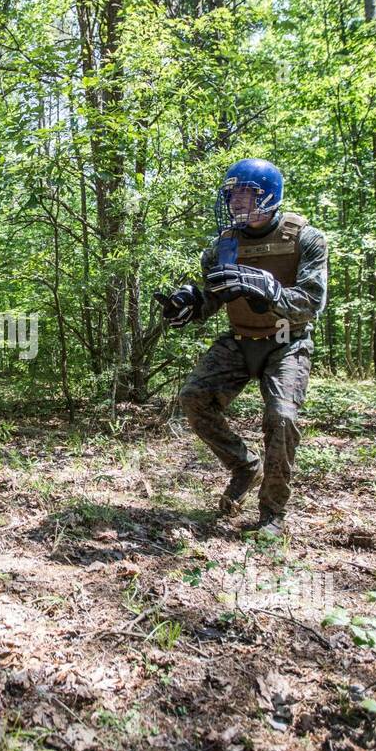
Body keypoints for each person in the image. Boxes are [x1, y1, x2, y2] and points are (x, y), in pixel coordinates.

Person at [156, 158, 328, 537]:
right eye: (232, 194)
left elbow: (312, 301)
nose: (236, 202)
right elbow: (213, 298)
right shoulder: (222, 246)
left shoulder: (304, 238)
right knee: (194, 398)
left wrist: (272, 292)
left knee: (281, 418)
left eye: (246, 194)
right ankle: (243, 465)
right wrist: (188, 305)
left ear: (269, 195)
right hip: (239, 338)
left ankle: (272, 514)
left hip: (287, 339)